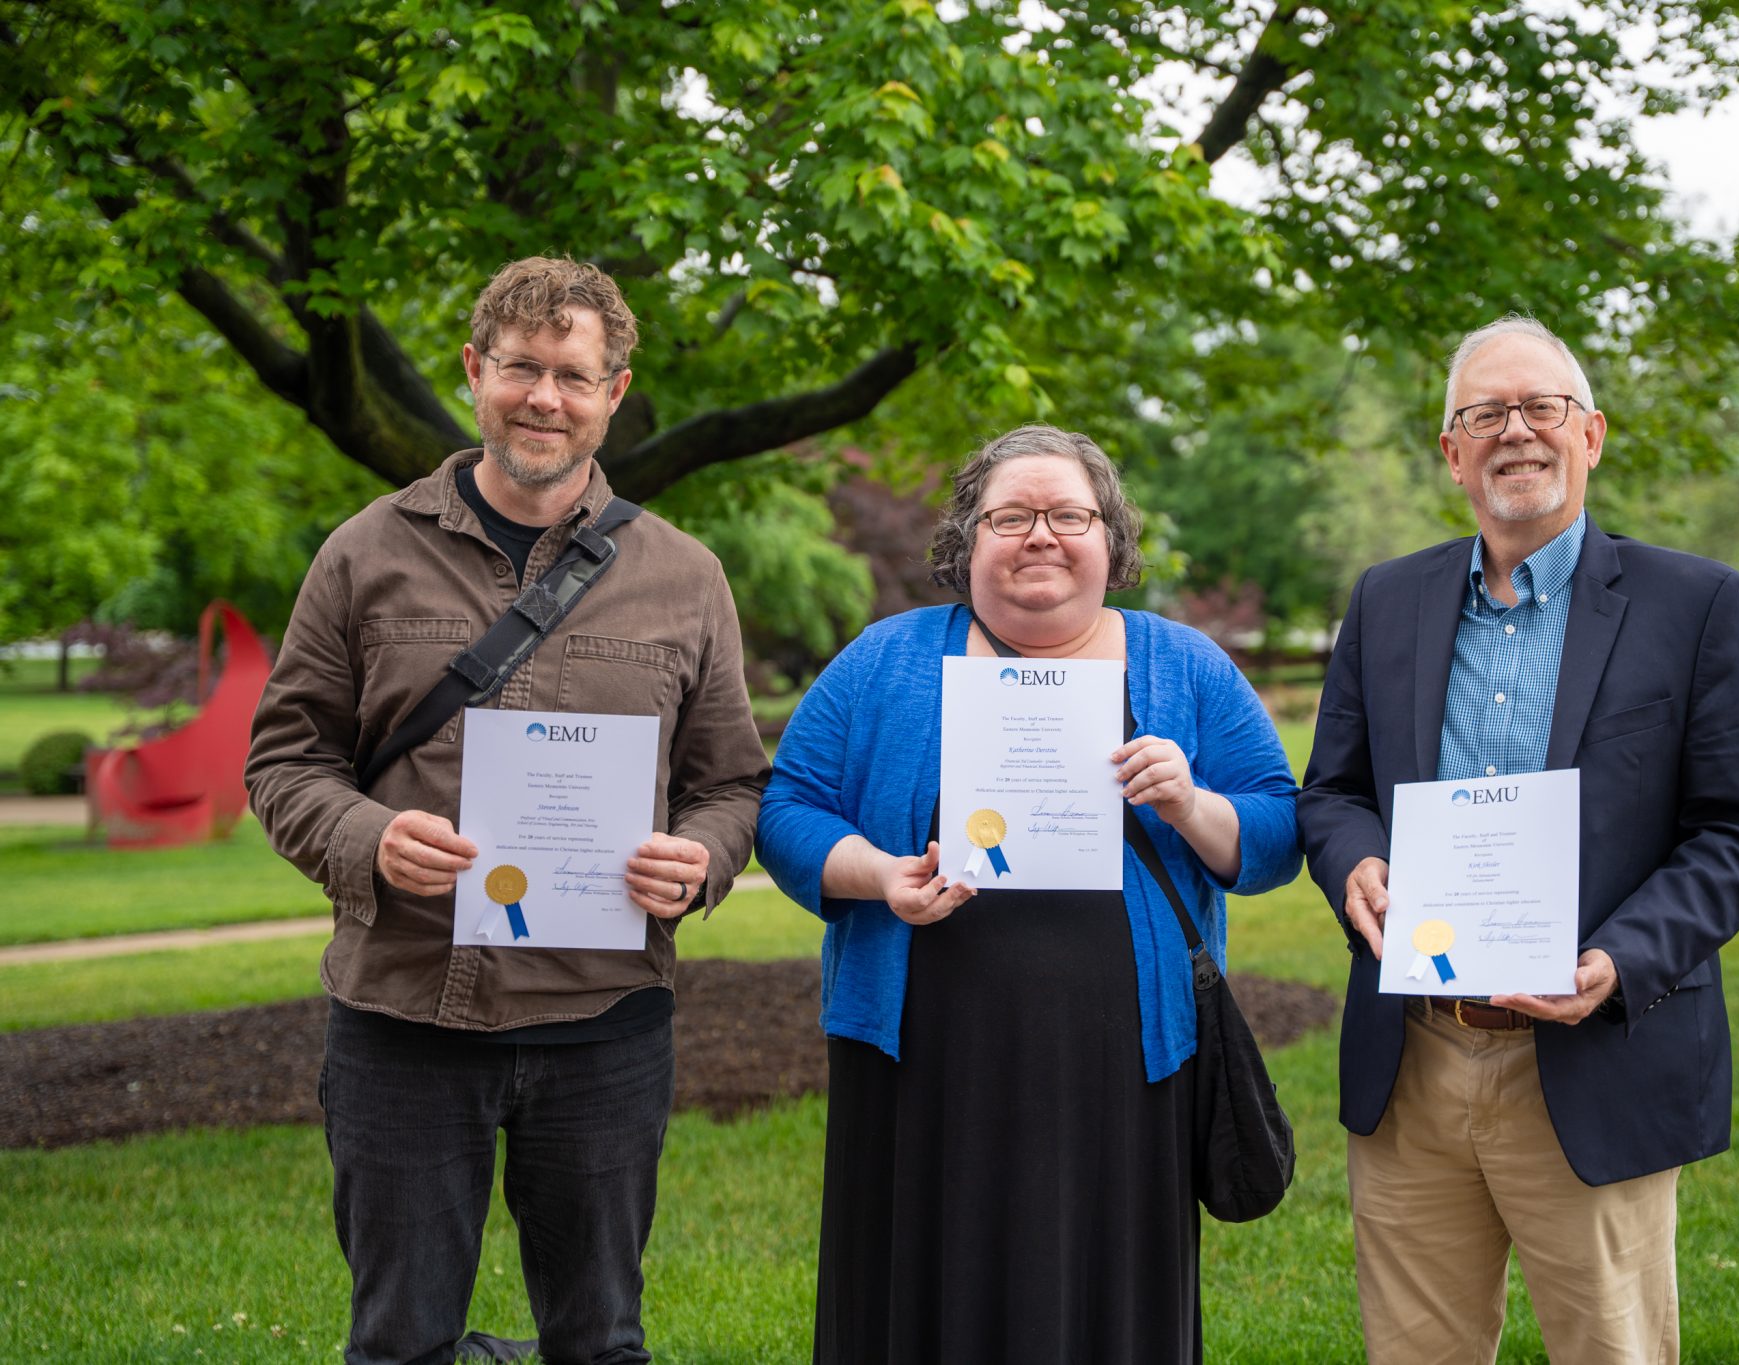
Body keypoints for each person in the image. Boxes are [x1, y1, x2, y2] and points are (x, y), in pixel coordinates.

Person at [246, 256, 770, 1365]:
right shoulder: (363, 552)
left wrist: (700, 858)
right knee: (398, 1341)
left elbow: (730, 784)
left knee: (600, 1340)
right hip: (402, 1013)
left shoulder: (685, 576)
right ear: (475, 370)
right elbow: (287, 759)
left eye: (573, 376)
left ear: (613, 393)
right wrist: (367, 839)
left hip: (604, 1022)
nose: (545, 397)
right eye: (521, 368)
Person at [1299, 316, 1739, 1363]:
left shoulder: (1693, 603)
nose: (1514, 431)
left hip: (1593, 1056)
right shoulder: (1385, 600)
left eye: (1540, 408)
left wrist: (1620, 962)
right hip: (1414, 1060)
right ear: (1452, 453)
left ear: (1590, 435)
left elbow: (1738, 830)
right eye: (1484, 414)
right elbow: (1332, 792)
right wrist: (1355, 863)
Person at [757, 425, 1301, 1364]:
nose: (1040, 534)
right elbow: (786, 811)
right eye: (1010, 516)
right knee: (916, 1293)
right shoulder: (884, 661)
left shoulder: (1185, 665)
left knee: (1101, 1303)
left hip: (1126, 1065)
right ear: (968, 540)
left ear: (1109, 539)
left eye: (1068, 516)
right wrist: (879, 875)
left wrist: (1191, 802)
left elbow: (1280, 832)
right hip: (920, 1060)